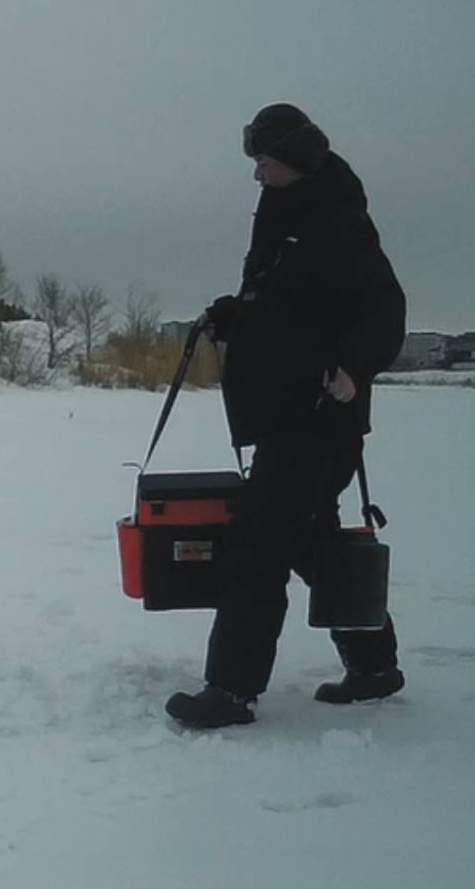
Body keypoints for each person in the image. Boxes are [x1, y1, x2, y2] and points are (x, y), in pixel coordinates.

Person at [166, 104, 408, 729]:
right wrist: (231, 313)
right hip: (284, 413)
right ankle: (374, 664)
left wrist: (353, 369)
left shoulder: (338, 221)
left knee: (258, 544)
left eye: (265, 163)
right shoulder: (285, 217)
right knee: (310, 541)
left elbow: (384, 306)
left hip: (318, 415)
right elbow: (284, 306)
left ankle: (231, 689)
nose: (258, 176)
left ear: (295, 160)